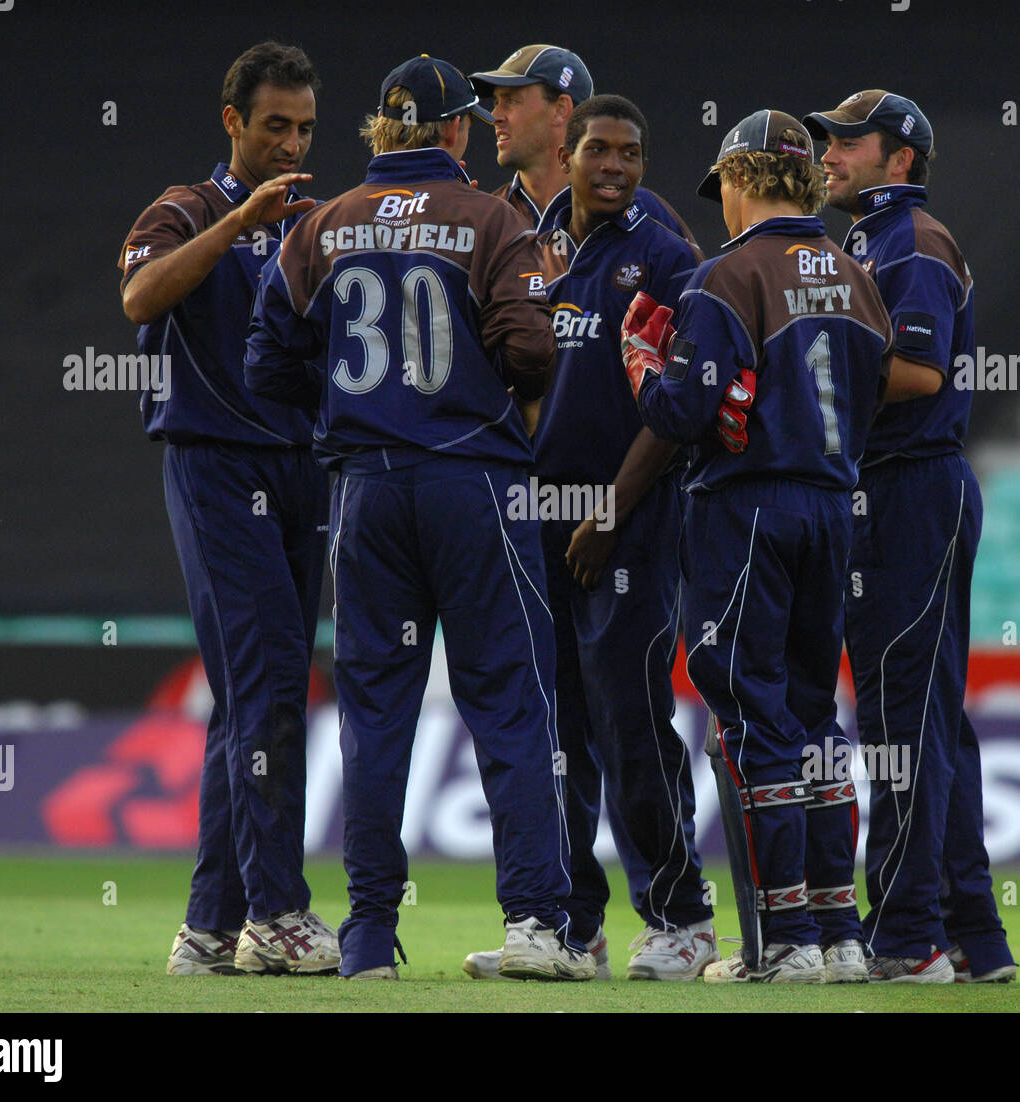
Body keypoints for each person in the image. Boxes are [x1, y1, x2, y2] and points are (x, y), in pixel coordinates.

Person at [244, 54, 594, 982]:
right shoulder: (493, 219)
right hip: (471, 485)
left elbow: (265, 366)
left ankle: (366, 937)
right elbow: (532, 352)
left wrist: (352, 410)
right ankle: (532, 925)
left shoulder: (321, 226)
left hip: (363, 494)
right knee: (510, 705)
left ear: (380, 131)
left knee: (374, 716)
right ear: (456, 132)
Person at [624, 110, 893, 982]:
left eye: (725, 189)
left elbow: (682, 413)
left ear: (743, 179)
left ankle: (781, 942)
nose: (724, 207)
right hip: (833, 504)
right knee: (817, 719)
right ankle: (838, 932)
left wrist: (640, 362)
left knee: (751, 716)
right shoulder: (857, 275)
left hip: (748, 512)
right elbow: (879, 384)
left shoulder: (725, 275)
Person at [462, 95, 717, 982]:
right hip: (542, 520)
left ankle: (681, 918)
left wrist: (610, 508)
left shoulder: (663, 252)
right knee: (553, 727)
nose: (615, 167)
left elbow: (684, 405)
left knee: (630, 720)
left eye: (631, 154)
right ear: (567, 154)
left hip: (631, 521)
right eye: (600, 151)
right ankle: (572, 927)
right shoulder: (537, 250)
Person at [117, 41, 339, 976]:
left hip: (305, 470)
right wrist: (238, 222)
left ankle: (209, 929)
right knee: (272, 681)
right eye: (275, 126)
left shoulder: (321, 220)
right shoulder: (187, 208)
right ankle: (278, 912)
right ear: (233, 124)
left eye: (305, 129)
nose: (291, 144)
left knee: (254, 694)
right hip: (216, 466)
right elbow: (139, 297)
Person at [801, 89, 1017, 983]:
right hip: (894, 490)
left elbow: (920, 372)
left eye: (851, 142)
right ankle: (973, 931)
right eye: (831, 140)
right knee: (925, 717)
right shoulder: (871, 242)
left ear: (902, 158)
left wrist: (798, 359)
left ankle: (905, 936)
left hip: (911, 490)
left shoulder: (910, 243)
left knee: (900, 717)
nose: (831, 153)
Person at [469, 45, 700, 256]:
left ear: (560, 109)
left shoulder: (646, 213)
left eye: (510, 101)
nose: (495, 116)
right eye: (496, 103)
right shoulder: (485, 215)